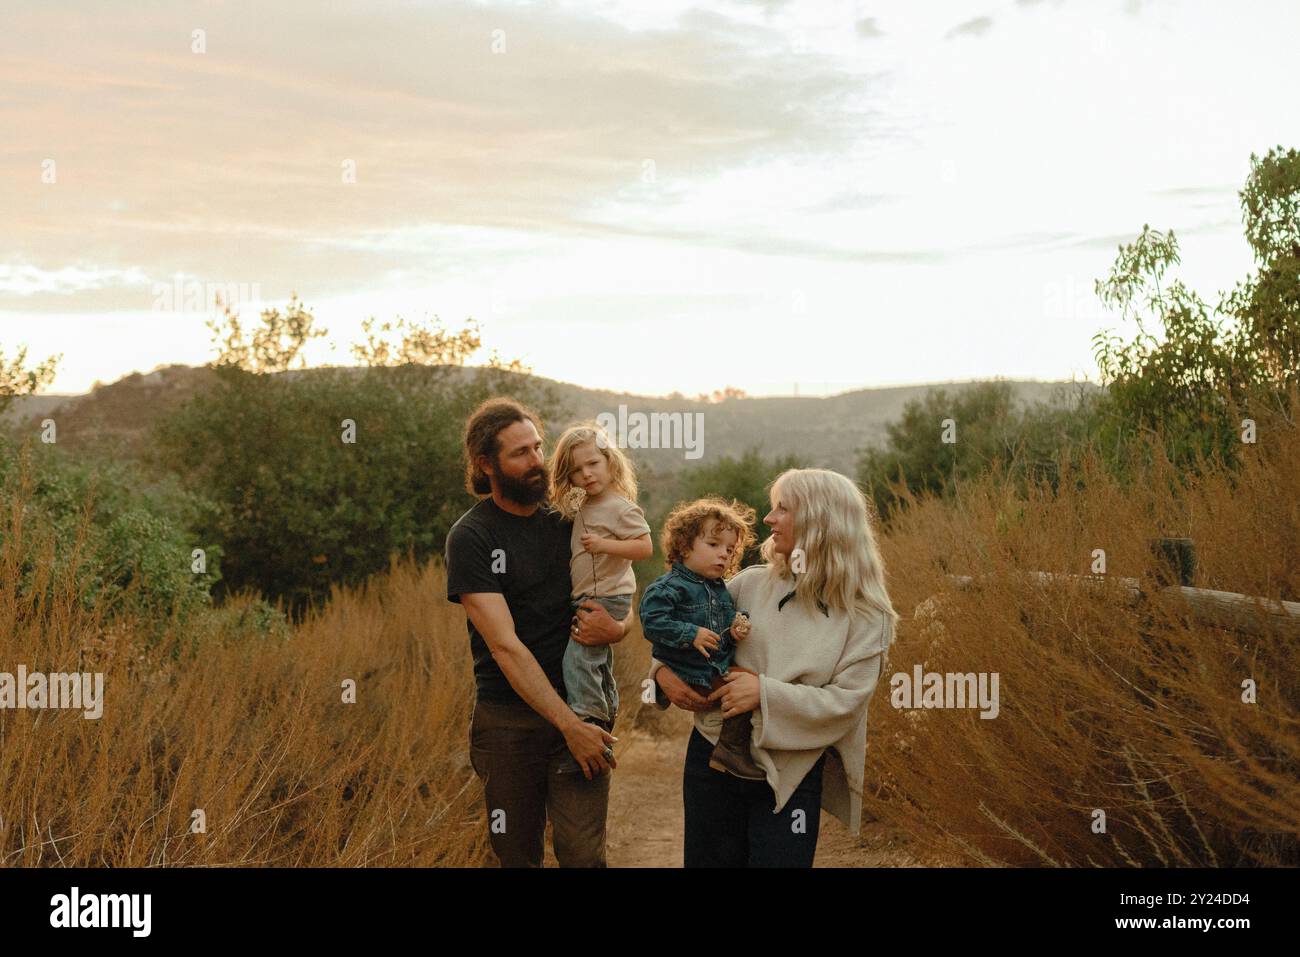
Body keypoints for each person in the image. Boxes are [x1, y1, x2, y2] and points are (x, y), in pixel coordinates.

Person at [649, 468, 898, 867]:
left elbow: (847, 701)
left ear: (820, 520)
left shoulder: (868, 615)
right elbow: (680, 627)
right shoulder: (748, 583)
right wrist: (660, 674)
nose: (768, 519)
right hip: (712, 758)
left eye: (782, 508)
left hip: (792, 773)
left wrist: (762, 693)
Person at [445, 398, 632, 867]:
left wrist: (620, 627)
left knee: (583, 855)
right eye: (520, 454)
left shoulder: (570, 519)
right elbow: (505, 647)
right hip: (509, 722)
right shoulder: (472, 538)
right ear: (486, 464)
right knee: (517, 856)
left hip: (584, 704)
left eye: (538, 448)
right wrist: (569, 727)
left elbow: (618, 590)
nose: (537, 463)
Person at [548, 423, 653, 772]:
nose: (586, 473)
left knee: (576, 661)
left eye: (593, 463)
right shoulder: (587, 506)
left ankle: (589, 723)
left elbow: (644, 546)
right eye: (576, 470)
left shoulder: (619, 507)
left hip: (607, 596)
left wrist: (605, 545)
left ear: (610, 462)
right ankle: (606, 707)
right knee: (594, 659)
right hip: (592, 595)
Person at [639, 497, 762, 779]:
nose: (724, 555)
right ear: (684, 546)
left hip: (707, 666)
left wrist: (732, 633)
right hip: (689, 670)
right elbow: (651, 622)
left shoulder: (718, 590)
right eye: (714, 545)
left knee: (751, 682)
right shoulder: (669, 586)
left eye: (730, 550)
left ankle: (732, 748)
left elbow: (717, 639)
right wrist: (689, 633)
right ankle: (730, 749)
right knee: (742, 686)